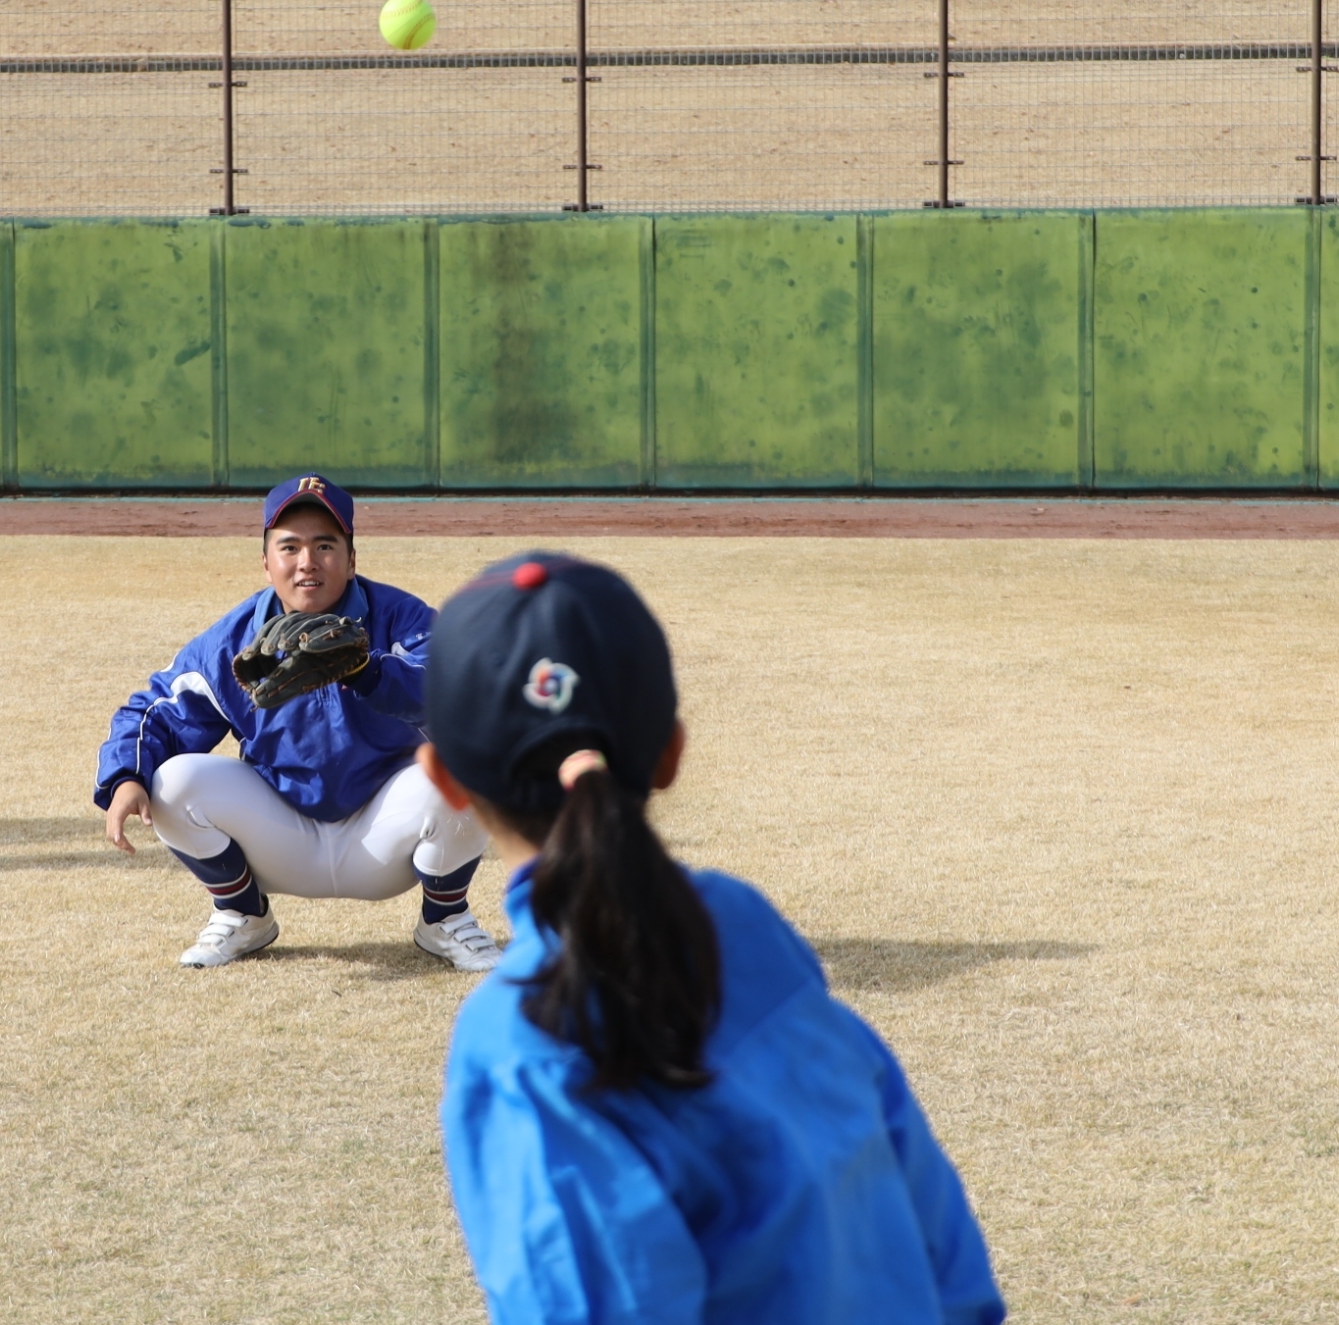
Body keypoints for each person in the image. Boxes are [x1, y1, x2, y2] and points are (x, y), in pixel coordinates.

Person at [418, 552, 1004, 1323]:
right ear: (670, 752)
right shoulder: (745, 929)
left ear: (443, 779)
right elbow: (929, 1220)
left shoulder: (519, 1034)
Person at [97, 474, 500, 970]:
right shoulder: (236, 638)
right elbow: (158, 707)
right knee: (171, 781)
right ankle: (244, 915)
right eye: (290, 546)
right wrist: (124, 777)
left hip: (382, 839)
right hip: (280, 838)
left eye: (325, 545)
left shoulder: (400, 618)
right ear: (267, 563)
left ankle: (444, 920)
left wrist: (367, 669)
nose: (308, 561)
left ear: (351, 560)